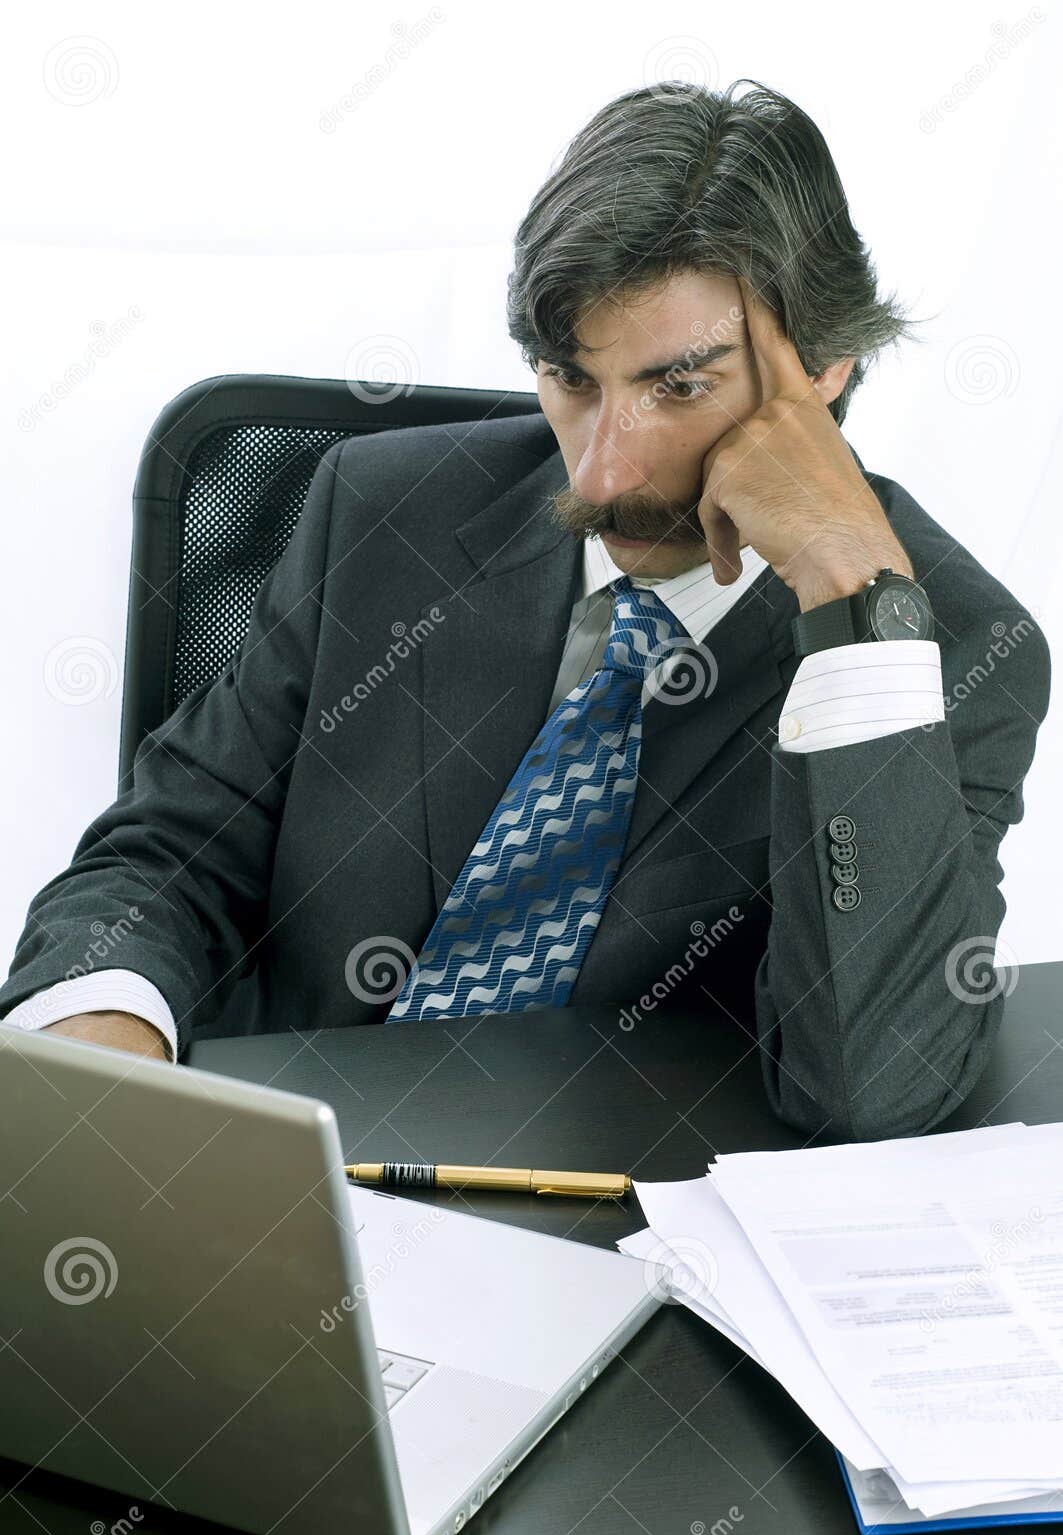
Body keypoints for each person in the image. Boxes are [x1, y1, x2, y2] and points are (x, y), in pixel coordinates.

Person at [1, 79, 1050, 1142]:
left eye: (677, 386)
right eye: (567, 378)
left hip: (614, 1238)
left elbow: (875, 1092)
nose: (599, 474)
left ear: (823, 369)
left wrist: (850, 599)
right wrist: (103, 1025)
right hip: (283, 1188)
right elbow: (172, 851)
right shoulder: (381, 510)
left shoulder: (947, 648)